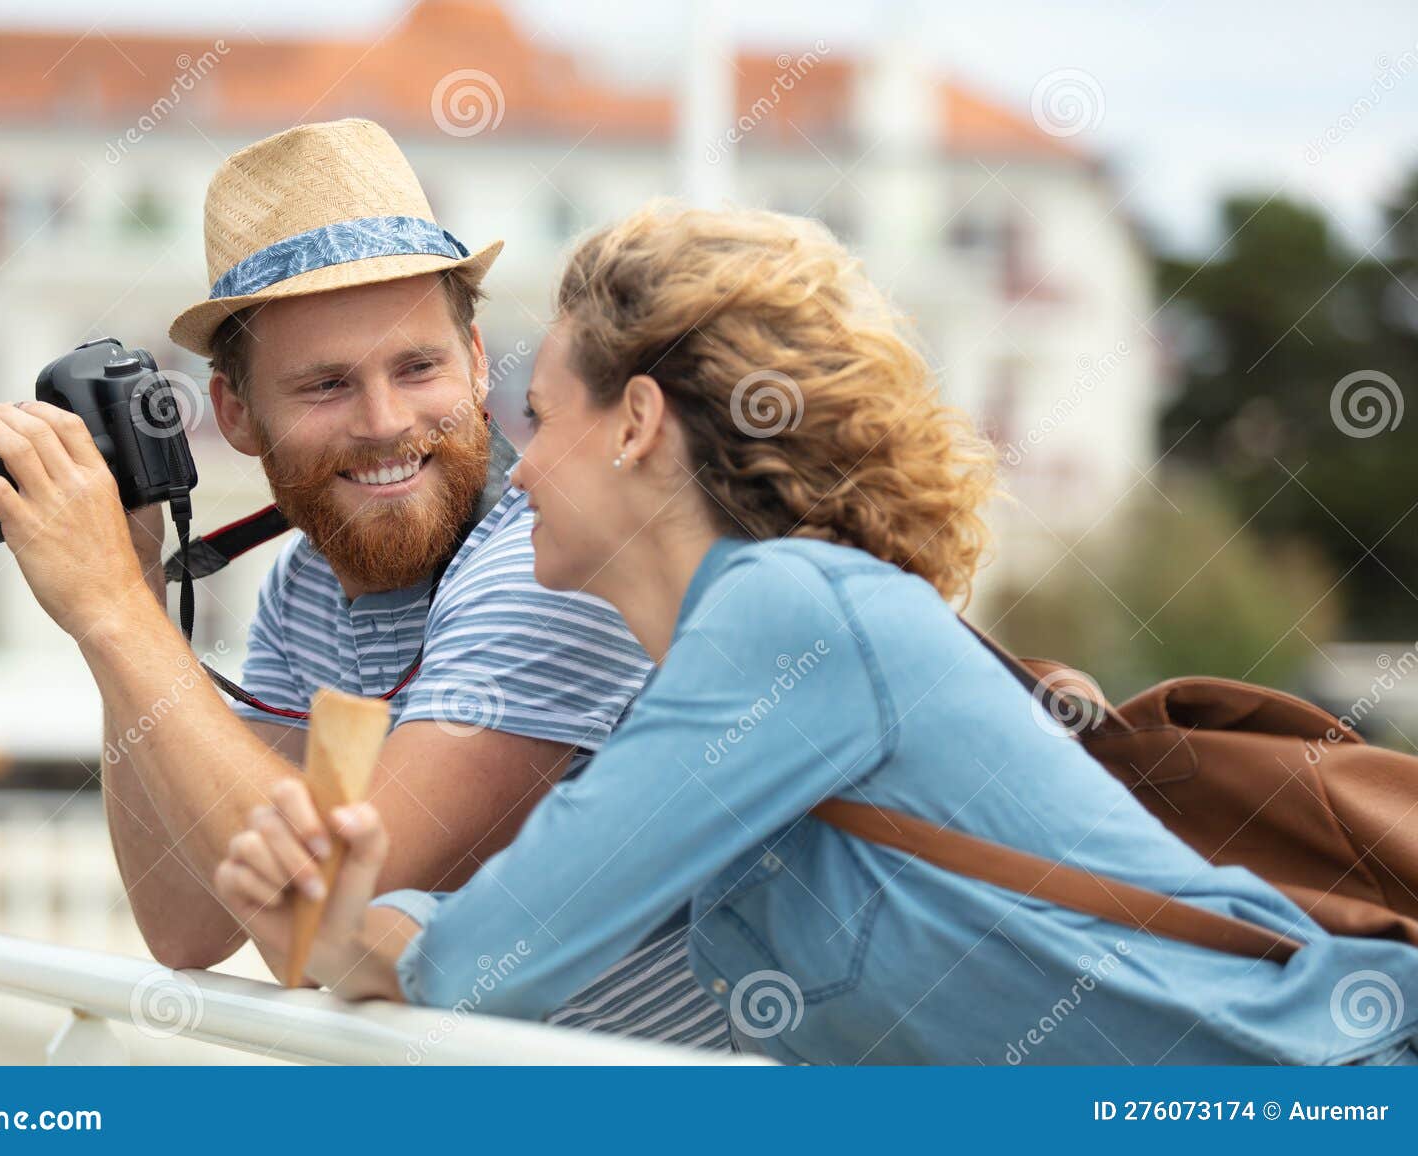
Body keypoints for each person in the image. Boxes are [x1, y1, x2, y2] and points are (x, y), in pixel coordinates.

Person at [216, 200, 1418, 1065]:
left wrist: (352, 933)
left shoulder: (787, 612)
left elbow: (487, 961)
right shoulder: (738, 659)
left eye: (538, 420)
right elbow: (503, 944)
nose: (517, 475)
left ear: (637, 421)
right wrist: (345, 932)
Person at [0, 123, 729, 1049]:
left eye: (417, 366)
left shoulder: (550, 567)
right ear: (235, 412)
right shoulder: (306, 582)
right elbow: (189, 925)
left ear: (476, 363)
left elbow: (314, 922)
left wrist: (109, 608)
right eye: (325, 386)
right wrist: (137, 587)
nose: (386, 422)